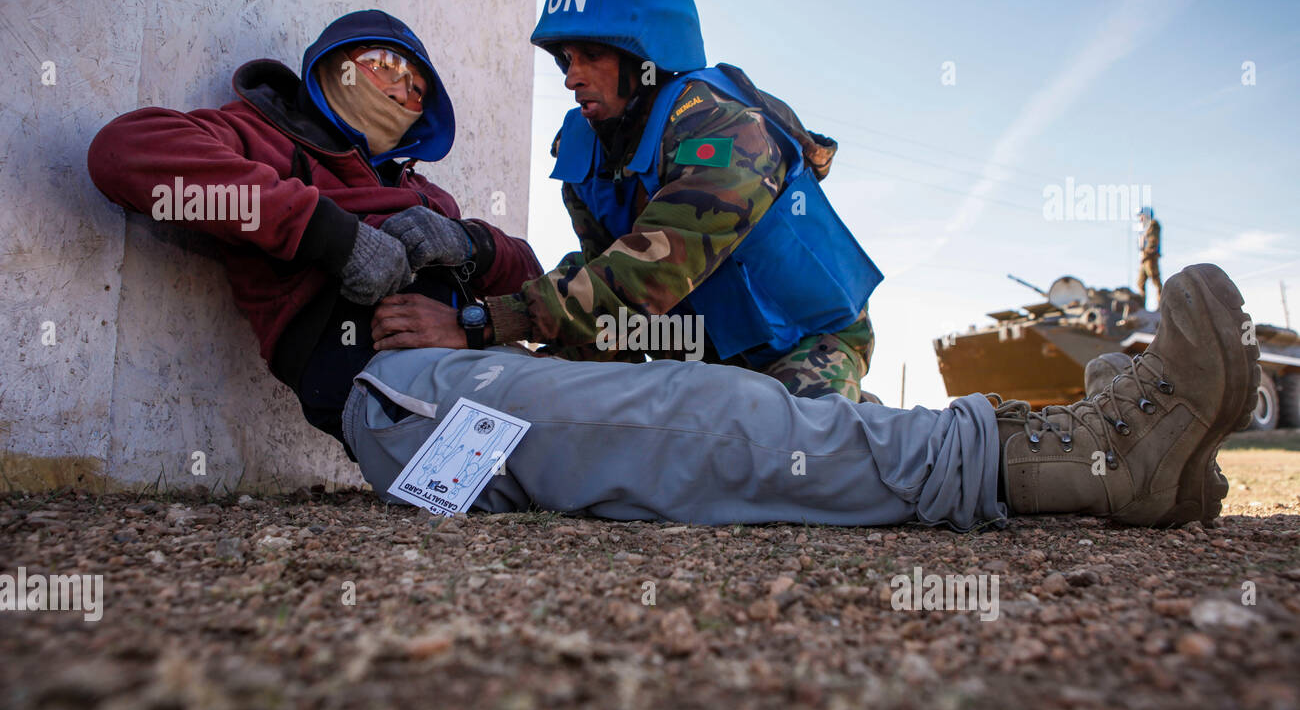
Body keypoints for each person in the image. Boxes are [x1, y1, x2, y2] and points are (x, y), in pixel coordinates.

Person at [343, 262, 1260, 531]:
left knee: (729, 411)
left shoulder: (415, 185)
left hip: (437, 388)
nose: (572, 78)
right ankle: (1094, 455)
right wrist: (336, 231)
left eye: (588, 55)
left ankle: (1136, 472)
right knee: (698, 416)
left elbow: (518, 266)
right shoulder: (263, 141)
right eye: (374, 69)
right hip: (390, 396)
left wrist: (473, 277)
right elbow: (194, 159)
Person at [398, 0, 885, 402]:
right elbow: (602, 283)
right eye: (567, 59)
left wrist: (481, 323)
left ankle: (873, 428)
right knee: (567, 406)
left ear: (646, 57)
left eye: (591, 56)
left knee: (791, 459)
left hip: (803, 344)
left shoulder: (728, 129)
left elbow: (650, 271)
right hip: (696, 351)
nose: (571, 77)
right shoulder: (584, 145)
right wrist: (537, 370)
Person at [87, 10, 543, 451]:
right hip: (381, 381)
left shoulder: (425, 193)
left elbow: (533, 281)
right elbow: (123, 152)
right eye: (387, 67)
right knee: (565, 429)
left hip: (478, 360)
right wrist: (332, 236)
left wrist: (471, 243)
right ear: (335, 63)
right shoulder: (266, 141)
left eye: (417, 90)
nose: (403, 93)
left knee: (596, 398)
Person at [1137, 206, 1163, 307]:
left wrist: (1148, 253)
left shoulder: (1153, 225)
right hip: (1144, 258)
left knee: (1156, 281)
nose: (1140, 218)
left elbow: (1153, 241)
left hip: (1150, 258)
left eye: (1142, 216)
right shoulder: (1144, 227)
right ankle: (1141, 305)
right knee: (1140, 283)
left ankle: (1161, 305)